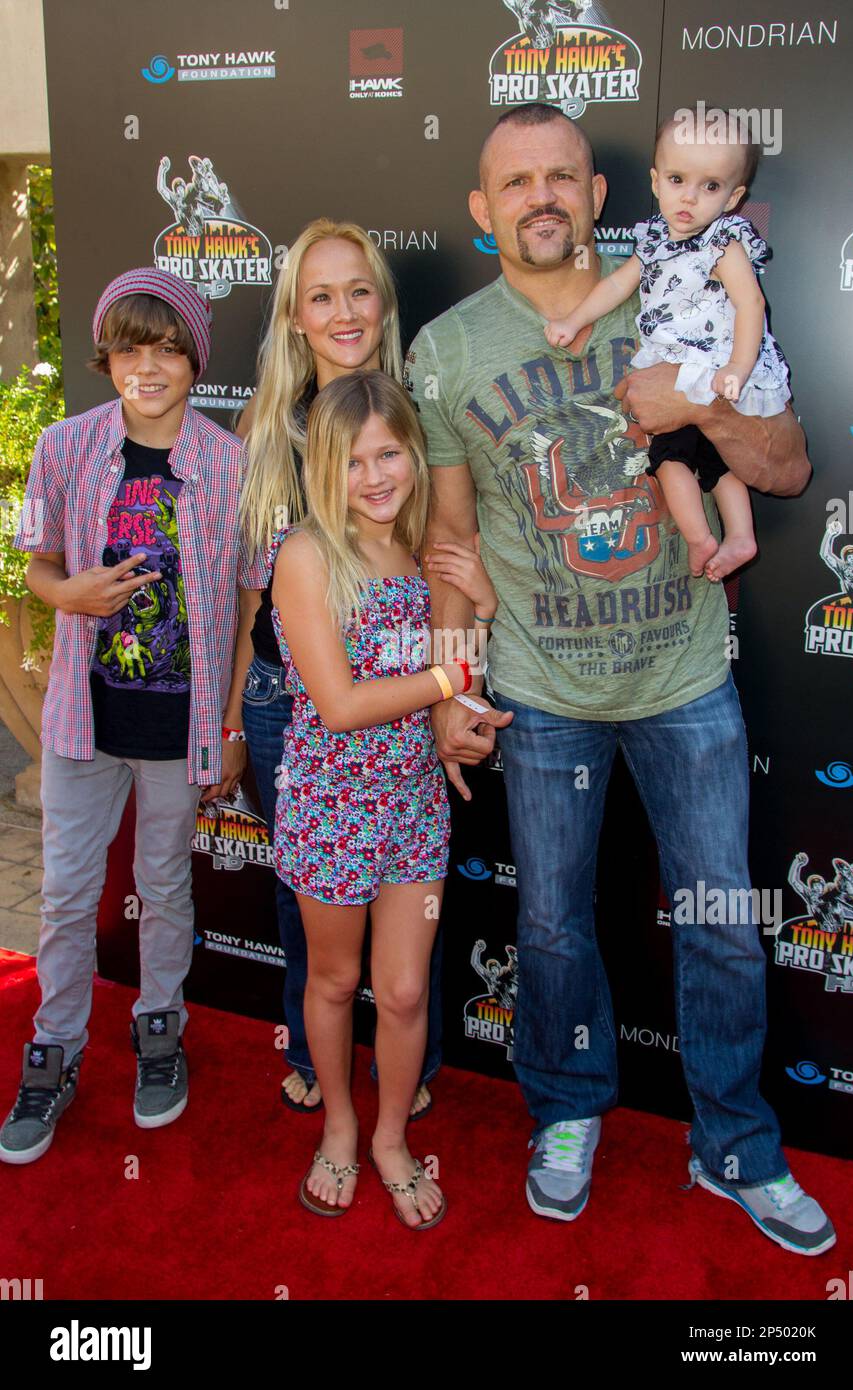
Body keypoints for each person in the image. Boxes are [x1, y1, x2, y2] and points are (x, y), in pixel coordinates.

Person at [405, 102, 836, 1255]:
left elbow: (786, 464)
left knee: (723, 929)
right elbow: (448, 542)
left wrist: (694, 403)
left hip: (685, 677)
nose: (541, 197)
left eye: (563, 177)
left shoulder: (683, 282)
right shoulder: (445, 350)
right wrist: (450, 686)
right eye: (516, 182)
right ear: (481, 211)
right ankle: (564, 1109)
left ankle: (735, 1145)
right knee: (547, 927)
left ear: (604, 197)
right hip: (541, 693)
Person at [0, 268, 268, 1164]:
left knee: (166, 890)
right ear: (105, 354)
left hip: (179, 730)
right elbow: (36, 565)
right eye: (128, 347)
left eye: (165, 348)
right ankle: (54, 1056)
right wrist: (67, 590)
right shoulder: (64, 447)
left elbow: (245, 607)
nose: (146, 367)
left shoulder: (230, 462)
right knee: (68, 897)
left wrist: (230, 721)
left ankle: (160, 1033)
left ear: (195, 358)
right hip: (85, 720)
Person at [270, 369, 496, 1227]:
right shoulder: (304, 555)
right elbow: (341, 705)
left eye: (389, 453)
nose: (374, 475)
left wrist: (479, 603)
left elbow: (462, 678)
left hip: (413, 809)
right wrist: (449, 673)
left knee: (403, 993)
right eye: (353, 459)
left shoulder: (418, 552)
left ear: (413, 452)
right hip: (331, 807)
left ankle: (392, 1137)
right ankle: (338, 1125)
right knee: (332, 982)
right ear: (324, 467)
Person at [228, 219, 443, 1119]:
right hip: (291, 701)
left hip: (403, 705)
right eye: (321, 295)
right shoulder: (270, 433)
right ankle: (323, 1071)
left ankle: (403, 1076)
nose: (343, 310)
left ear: (383, 305)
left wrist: (452, 685)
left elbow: (448, 570)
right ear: (294, 317)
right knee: (311, 907)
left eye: (359, 290)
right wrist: (237, 716)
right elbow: (249, 591)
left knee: (400, 925)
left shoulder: (413, 418)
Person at [546, 107, 791, 584]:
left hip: (715, 367)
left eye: (711, 187)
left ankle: (725, 536)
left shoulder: (725, 244)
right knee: (690, 460)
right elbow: (616, 287)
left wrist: (739, 366)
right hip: (672, 365)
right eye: (678, 180)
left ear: (734, 197)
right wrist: (573, 319)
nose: (690, 198)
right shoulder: (654, 239)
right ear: (656, 182)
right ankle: (718, 536)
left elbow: (750, 304)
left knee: (697, 459)